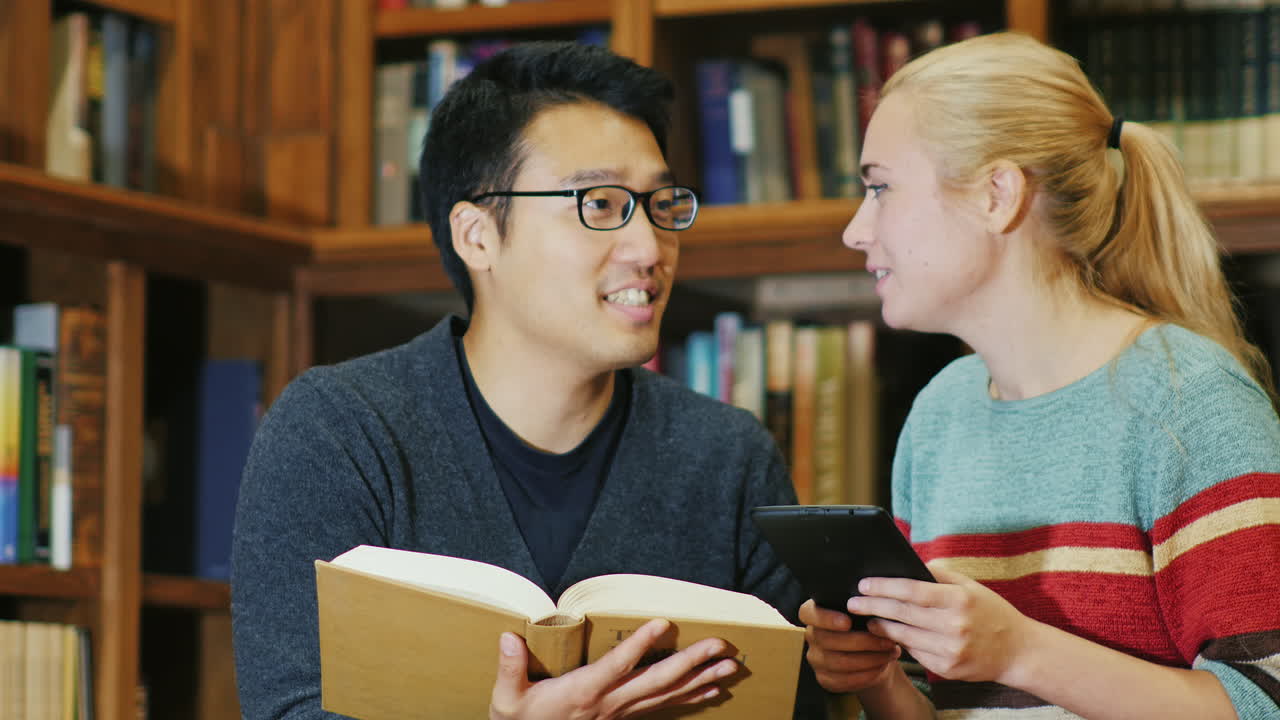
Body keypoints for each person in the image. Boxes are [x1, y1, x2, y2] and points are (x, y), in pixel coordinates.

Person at [231, 41, 822, 719]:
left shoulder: (727, 458)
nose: (650, 248)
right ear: (477, 234)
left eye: (661, 205)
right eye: (600, 204)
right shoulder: (339, 432)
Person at [801, 31, 1280, 719]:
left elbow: (1264, 700)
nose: (855, 229)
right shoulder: (941, 414)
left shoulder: (1189, 401)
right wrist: (877, 676)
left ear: (998, 194)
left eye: (880, 188)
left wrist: (1022, 651)